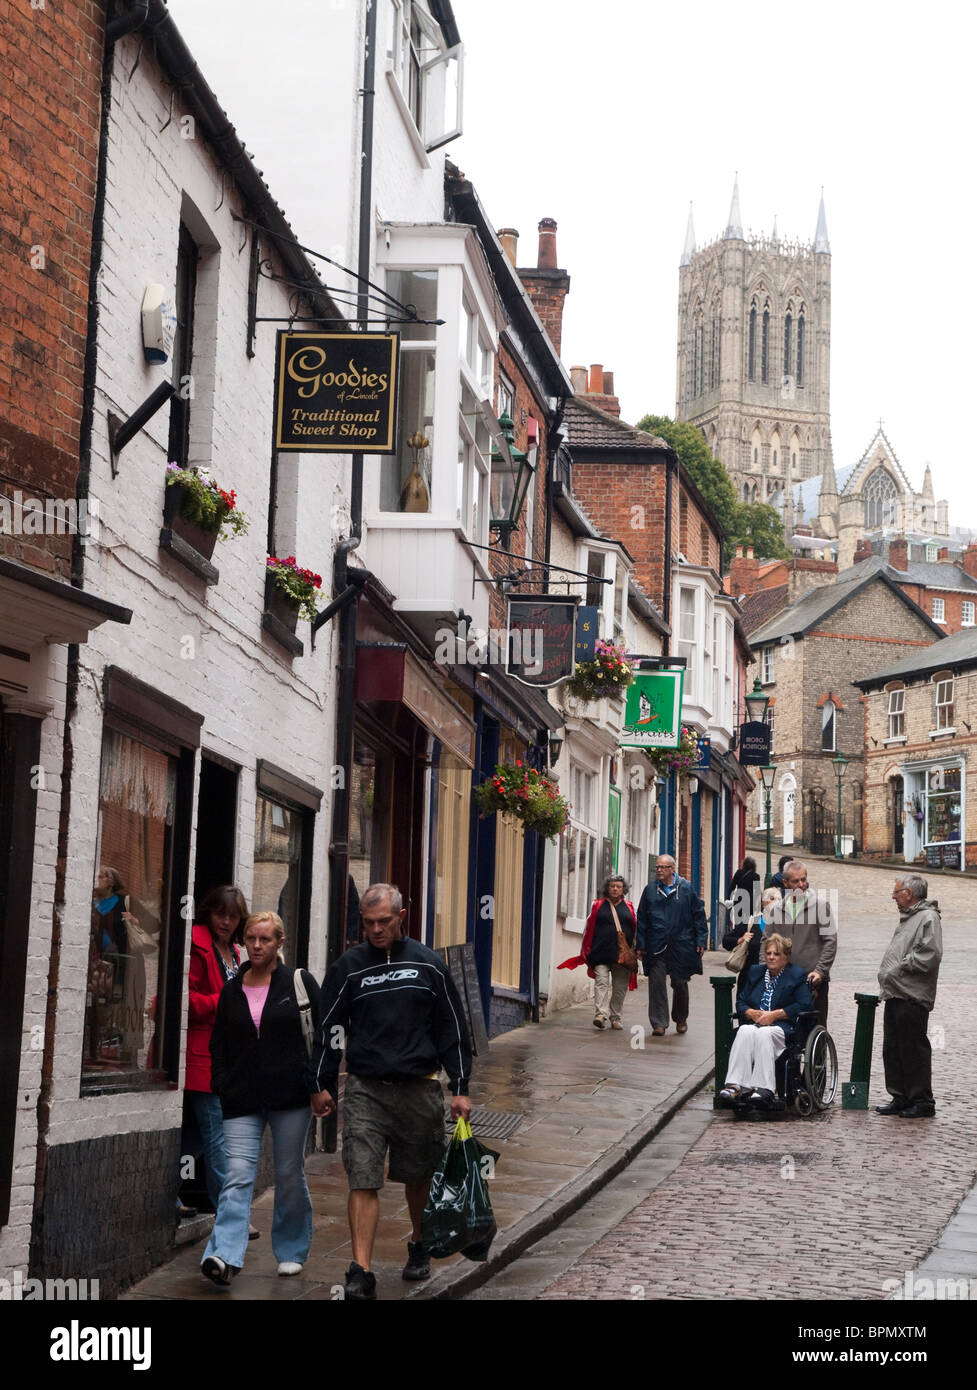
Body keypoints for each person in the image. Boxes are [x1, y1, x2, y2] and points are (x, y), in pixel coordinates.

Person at [310, 883, 472, 1301]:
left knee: (418, 1176)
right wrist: (323, 1084)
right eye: (368, 923)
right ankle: (360, 1269)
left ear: (402, 916)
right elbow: (329, 1030)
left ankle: (418, 1241)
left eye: (384, 921)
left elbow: (451, 1028)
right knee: (362, 1176)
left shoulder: (428, 965)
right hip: (367, 1089)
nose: (376, 930)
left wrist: (461, 1087)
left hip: (420, 1088)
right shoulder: (348, 968)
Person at [200, 911, 321, 1287]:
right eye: (250, 938)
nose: (255, 945)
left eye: (264, 939)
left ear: (279, 943)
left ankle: (290, 1250)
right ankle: (223, 1255)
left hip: (291, 1098)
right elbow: (219, 1040)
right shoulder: (232, 989)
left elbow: (323, 1035)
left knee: (287, 1174)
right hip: (241, 1099)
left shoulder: (297, 983)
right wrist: (222, 1082)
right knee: (237, 1176)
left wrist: (318, 1083)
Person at [182, 885, 252, 1222]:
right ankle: (230, 1213)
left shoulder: (237, 953)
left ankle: (171, 1196)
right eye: (220, 913)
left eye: (233, 916)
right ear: (209, 912)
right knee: (217, 1137)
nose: (225, 921)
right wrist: (224, 1001)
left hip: (226, 1059)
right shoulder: (196, 945)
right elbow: (184, 1001)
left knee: (196, 1137)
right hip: (199, 1056)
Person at [718, 934, 814, 1107]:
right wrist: (749, 1012)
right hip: (755, 1024)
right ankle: (736, 1086)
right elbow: (741, 1001)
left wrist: (776, 1014)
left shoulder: (796, 975)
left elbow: (804, 1004)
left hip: (782, 1028)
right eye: (768, 953)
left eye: (776, 954)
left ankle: (764, 1089)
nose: (771, 957)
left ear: (786, 956)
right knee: (745, 1030)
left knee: (764, 1033)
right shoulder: (756, 972)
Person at [875, 875, 942, 1119]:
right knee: (893, 1048)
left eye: (897, 891)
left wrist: (901, 967)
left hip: (911, 993)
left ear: (910, 894)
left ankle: (921, 1100)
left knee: (913, 1048)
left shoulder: (927, 917)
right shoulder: (910, 917)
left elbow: (930, 954)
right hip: (896, 991)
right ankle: (900, 1096)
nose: (893, 896)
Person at [635, 854, 707, 1037]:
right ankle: (659, 1023)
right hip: (656, 944)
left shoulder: (686, 888)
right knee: (656, 982)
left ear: (672, 869)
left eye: (663, 867)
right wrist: (641, 944)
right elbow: (642, 918)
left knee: (680, 982)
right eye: (657, 867)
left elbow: (698, 915)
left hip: (681, 944)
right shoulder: (650, 890)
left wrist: (700, 940)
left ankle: (681, 1018)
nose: (658, 870)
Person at [561, 874, 639, 1030]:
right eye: (612, 886)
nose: (615, 889)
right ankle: (600, 1014)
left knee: (619, 987)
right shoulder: (596, 906)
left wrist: (636, 951)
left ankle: (616, 1017)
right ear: (607, 888)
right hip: (601, 953)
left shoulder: (630, 908)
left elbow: (636, 931)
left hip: (622, 956)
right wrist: (586, 950)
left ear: (623, 889)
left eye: (618, 886)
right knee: (601, 983)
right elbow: (588, 929)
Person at [764, 859, 836, 1025]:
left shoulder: (820, 906)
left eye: (803, 879)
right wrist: (766, 969)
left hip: (812, 980)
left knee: (815, 1026)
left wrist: (820, 971)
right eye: (795, 881)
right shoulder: (778, 909)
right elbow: (766, 942)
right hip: (783, 979)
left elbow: (830, 941)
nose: (801, 884)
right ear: (785, 883)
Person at [722, 885, 780, 998]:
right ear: (764, 903)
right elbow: (726, 941)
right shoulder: (752, 922)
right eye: (773, 899)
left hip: (775, 981)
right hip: (750, 981)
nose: (777, 902)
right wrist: (740, 939)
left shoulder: (783, 925)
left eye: (779, 899)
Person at [727, 856, 760, 927]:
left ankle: (738, 936)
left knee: (738, 922)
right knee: (748, 922)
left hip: (739, 900)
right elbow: (757, 893)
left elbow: (732, 887)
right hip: (750, 902)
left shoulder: (738, 873)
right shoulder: (756, 876)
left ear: (744, 864)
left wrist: (728, 899)